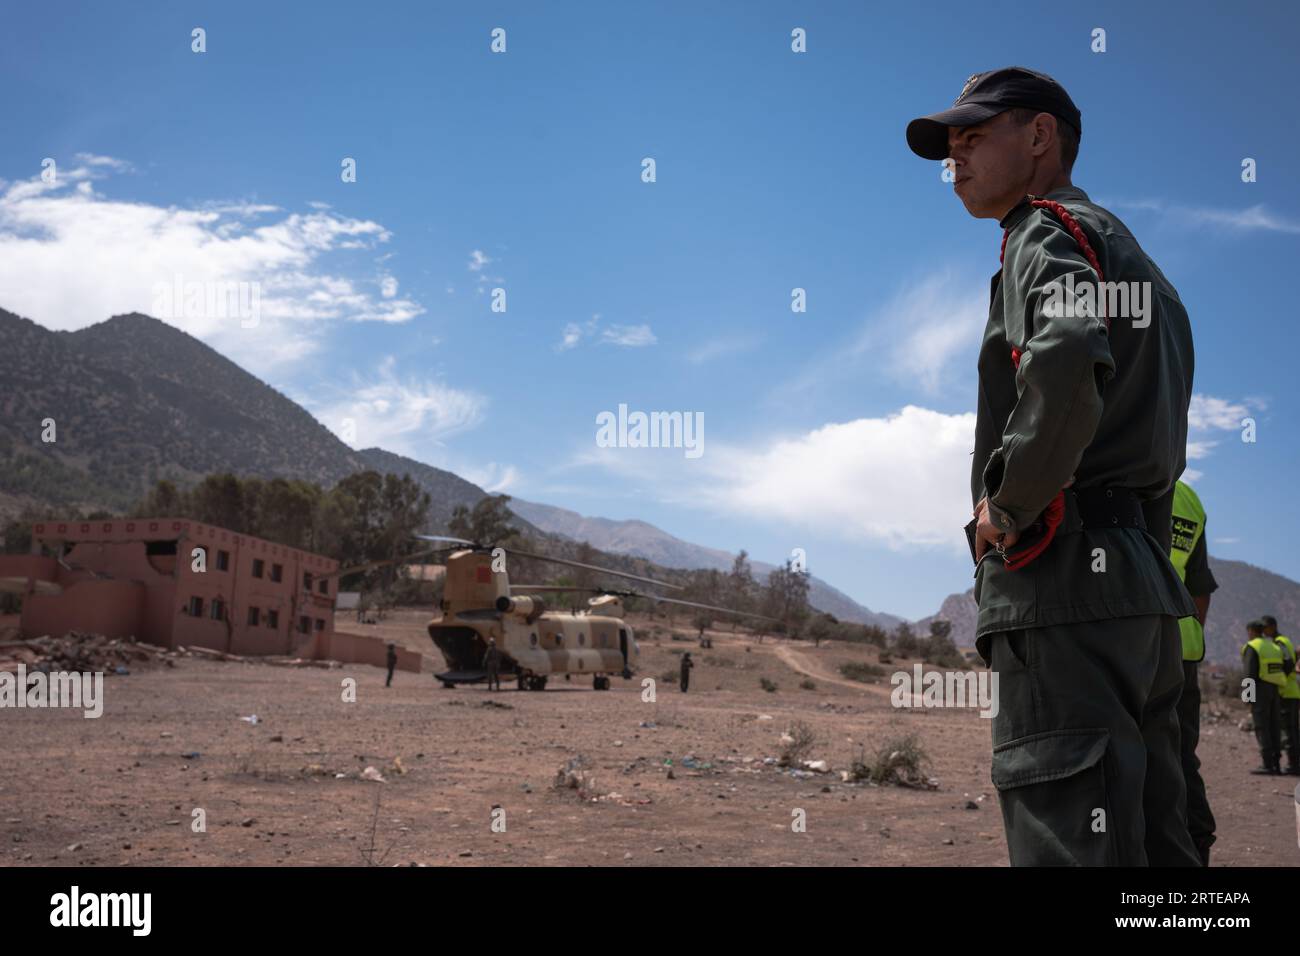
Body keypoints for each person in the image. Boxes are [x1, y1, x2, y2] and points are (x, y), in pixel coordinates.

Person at [907, 66, 1200, 865]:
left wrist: (1009, 507)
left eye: (973, 139)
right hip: (1138, 586)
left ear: (1039, 138)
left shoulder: (1046, 233)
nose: (954, 160)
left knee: (1074, 839)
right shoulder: (1136, 261)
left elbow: (1069, 359)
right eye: (951, 148)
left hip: (1064, 579)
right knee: (1159, 848)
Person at [1168, 479, 1218, 864]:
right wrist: (1190, 628)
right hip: (1183, 643)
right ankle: (1196, 846)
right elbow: (1200, 585)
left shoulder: (1118, 467)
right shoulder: (1189, 499)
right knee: (1182, 753)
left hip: (1134, 638)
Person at [1242, 620, 1284, 774]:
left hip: (1260, 691)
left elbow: (1249, 674)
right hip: (1275, 690)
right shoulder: (1273, 646)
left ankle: (1267, 765)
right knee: (1274, 725)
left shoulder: (1253, 647)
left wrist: (1247, 697)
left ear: (1252, 631)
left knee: (1261, 726)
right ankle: (1277, 763)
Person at [1261, 615, 1300, 774]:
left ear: (1272, 626)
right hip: (1289, 691)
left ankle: (1293, 764)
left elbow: (1289, 663)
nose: (1263, 632)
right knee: (1291, 729)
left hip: (1286, 691)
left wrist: (1279, 680)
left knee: (1289, 730)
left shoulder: (1280, 642)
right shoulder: (1281, 641)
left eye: (1265, 628)